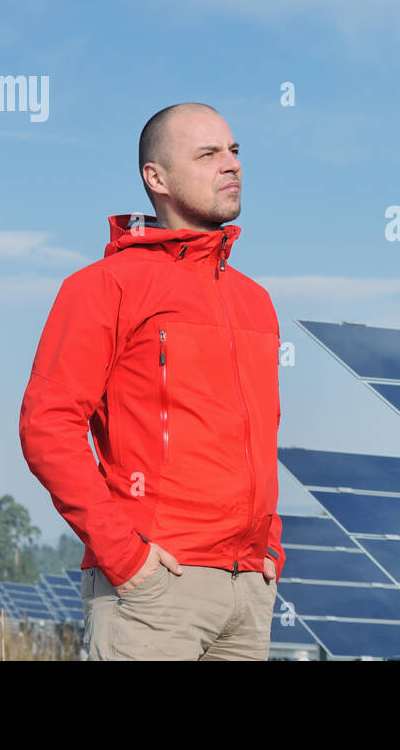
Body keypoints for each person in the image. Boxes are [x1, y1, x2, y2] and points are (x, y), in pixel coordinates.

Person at [19, 102, 284, 660]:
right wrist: (126, 557)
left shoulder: (255, 302)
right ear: (156, 177)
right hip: (155, 589)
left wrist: (270, 552)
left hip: (248, 592)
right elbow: (48, 425)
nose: (230, 164)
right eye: (208, 153)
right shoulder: (102, 287)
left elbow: (260, 439)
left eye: (234, 151)